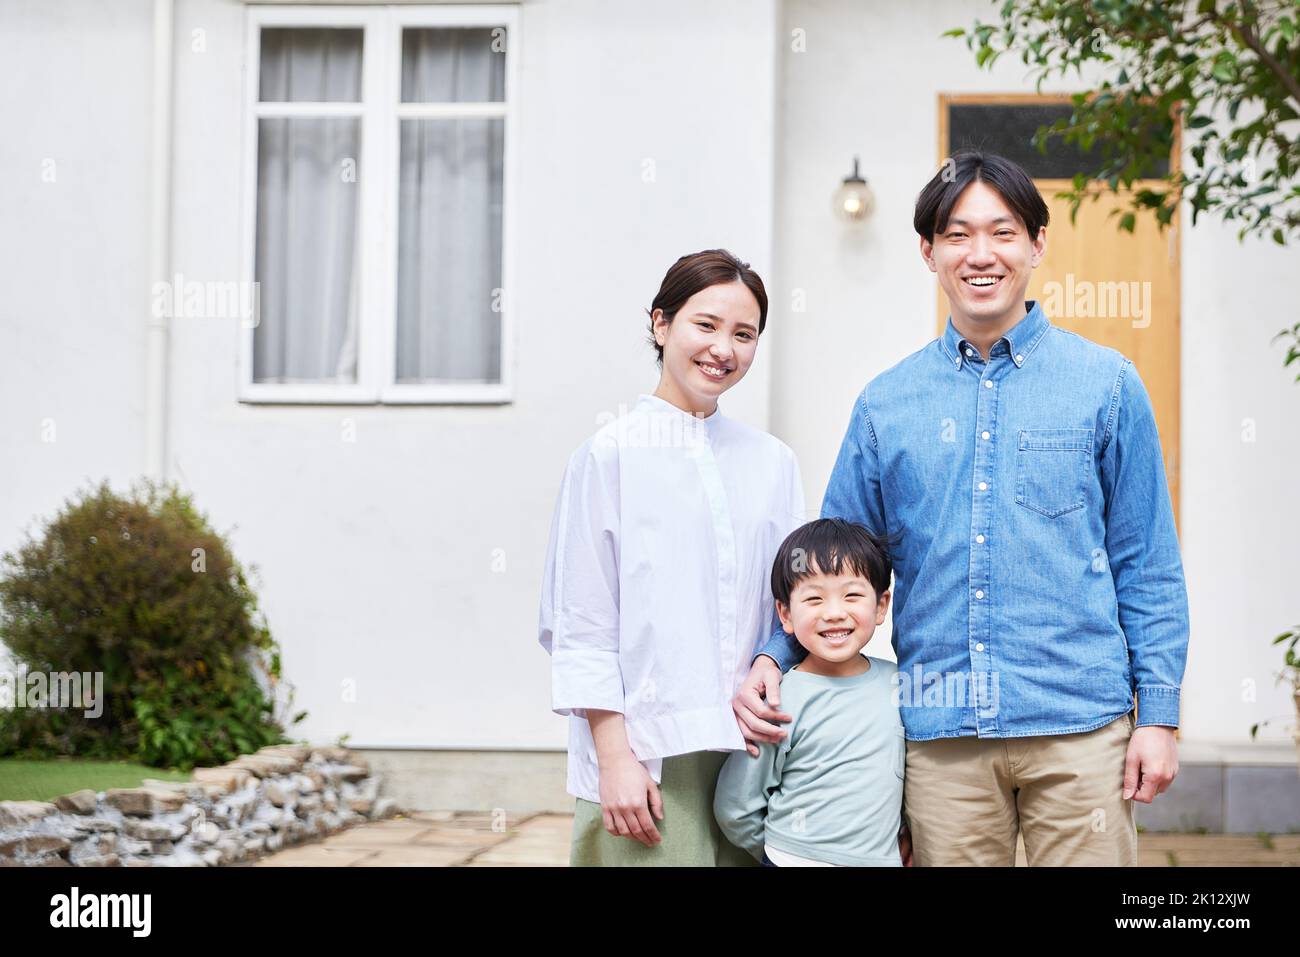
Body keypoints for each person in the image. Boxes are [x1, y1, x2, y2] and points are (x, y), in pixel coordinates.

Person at [732, 151, 1190, 866]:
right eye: (957, 234)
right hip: (941, 734)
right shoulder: (887, 404)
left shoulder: (1106, 385)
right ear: (928, 251)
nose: (981, 254)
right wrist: (776, 652)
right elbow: (831, 559)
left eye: (1003, 233)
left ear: (1037, 245)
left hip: (1079, 726)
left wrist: (1158, 715)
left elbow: (1147, 560)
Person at [538, 248, 806, 866]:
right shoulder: (608, 457)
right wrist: (614, 758)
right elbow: (582, 621)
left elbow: (793, 599)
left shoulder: (771, 463)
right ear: (660, 324)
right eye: (705, 325)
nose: (723, 348)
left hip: (749, 750)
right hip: (647, 755)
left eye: (744, 334)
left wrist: (772, 659)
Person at [712, 518, 906, 867]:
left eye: (852, 595)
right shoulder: (777, 699)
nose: (834, 613)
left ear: (880, 605)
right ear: (785, 614)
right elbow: (736, 806)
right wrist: (777, 854)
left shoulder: (899, 685)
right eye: (814, 599)